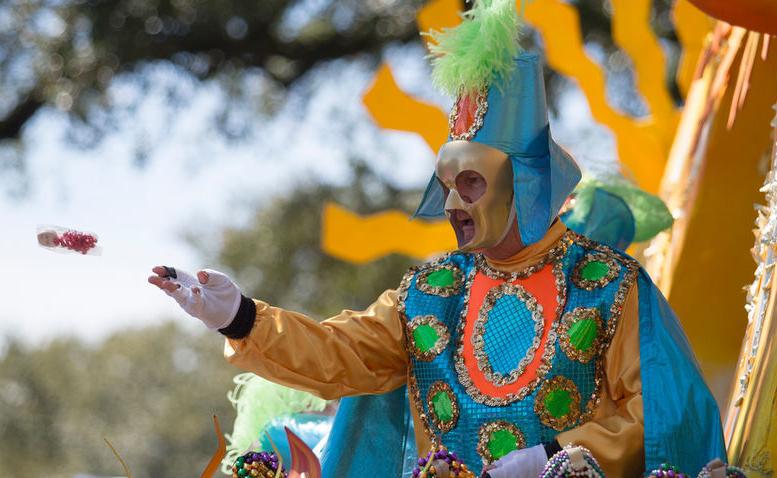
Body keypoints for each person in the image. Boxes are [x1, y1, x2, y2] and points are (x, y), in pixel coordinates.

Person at [148, 1, 725, 476]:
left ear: (523, 181)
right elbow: (339, 355)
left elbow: (667, 416)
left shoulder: (609, 287)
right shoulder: (431, 293)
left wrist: (554, 456)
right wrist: (242, 319)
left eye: (470, 182)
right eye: (446, 184)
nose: (451, 203)